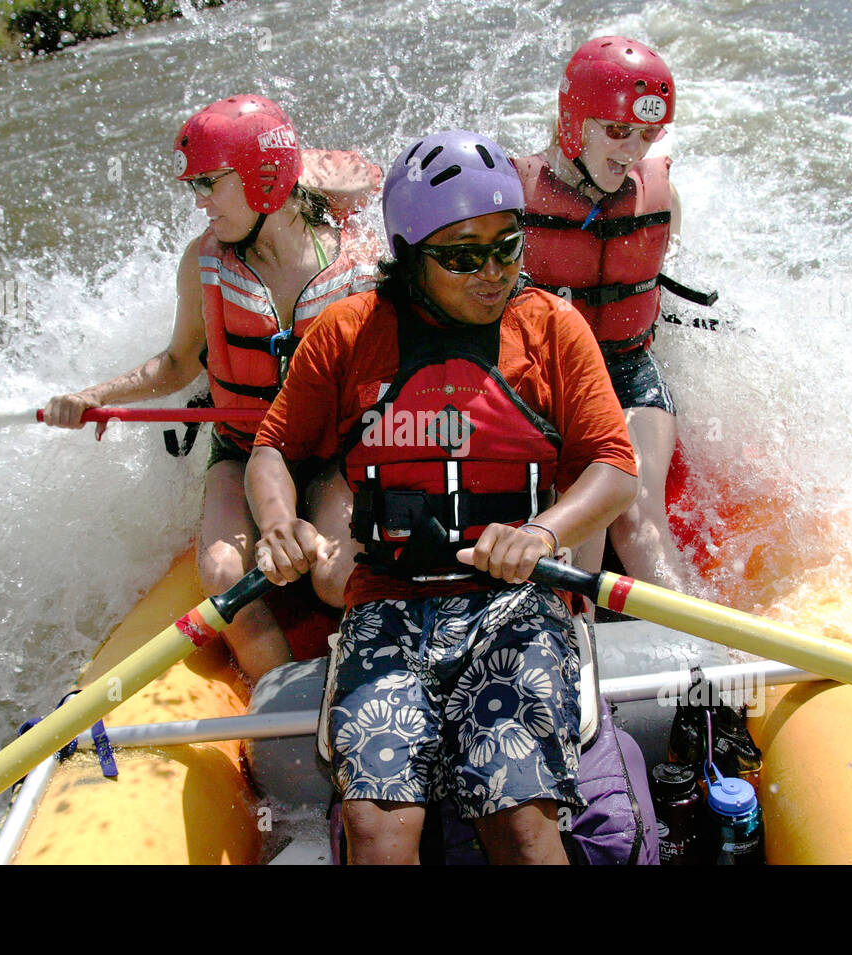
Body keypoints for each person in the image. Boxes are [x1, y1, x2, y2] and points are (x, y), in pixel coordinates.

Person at [245, 130, 638, 864]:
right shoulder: (345, 334)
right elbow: (272, 448)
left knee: (520, 824)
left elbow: (614, 467)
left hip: (516, 603)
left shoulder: (554, 329)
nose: (492, 273)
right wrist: (277, 523)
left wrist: (543, 534)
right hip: (386, 600)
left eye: (507, 246)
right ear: (409, 256)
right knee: (377, 834)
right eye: (462, 256)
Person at [43, 95, 378, 681]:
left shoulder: (355, 257)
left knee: (337, 576)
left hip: (333, 454)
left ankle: (369, 680)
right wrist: (95, 395)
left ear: (263, 179)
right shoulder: (202, 262)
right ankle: (283, 702)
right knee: (224, 577)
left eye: (208, 183)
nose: (198, 201)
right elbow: (177, 363)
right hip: (242, 446)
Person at [512, 37, 708, 591]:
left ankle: (708, 651)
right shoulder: (512, 193)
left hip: (629, 373)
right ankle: (568, 653)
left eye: (647, 135)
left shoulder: (662, 196)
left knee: (638, 515)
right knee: (583, 515)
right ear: (573, 122)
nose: (631, 151)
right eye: (617, 131)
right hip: (549, 383)